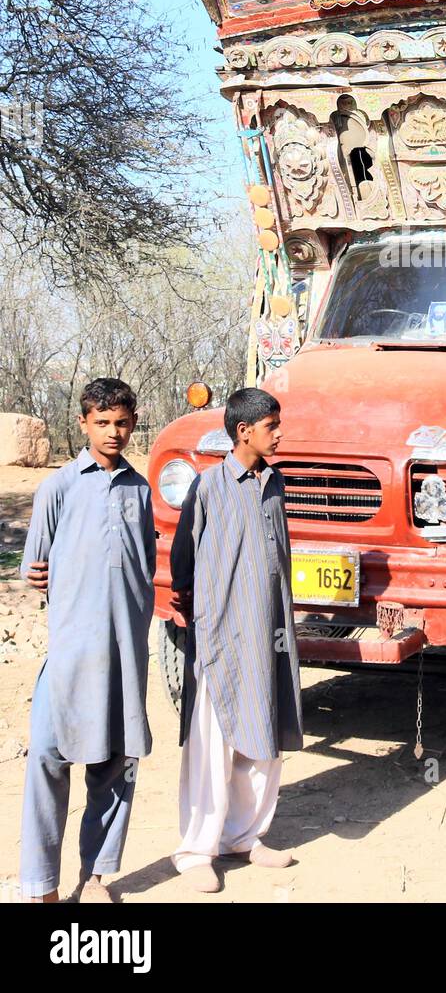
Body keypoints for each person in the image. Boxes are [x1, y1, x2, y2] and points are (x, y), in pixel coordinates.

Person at [18, 378, 155, 904]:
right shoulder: (57, 487)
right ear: (83, 424)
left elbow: (142, 566)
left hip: (124, 654)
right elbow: (37, 568)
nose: (113, 432)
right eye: (102, 423)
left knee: (116, 763)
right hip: (71, 650)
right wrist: (36, 578)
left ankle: (96, 877)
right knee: (49, 758)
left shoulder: (141, 490)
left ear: (133, 423)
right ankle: (41, 885)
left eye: (121, 422)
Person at [170, 387, 303, 893]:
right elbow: (183, 562)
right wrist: (195, 616)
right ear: (244, 431)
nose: (280, 434)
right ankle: (196, 849)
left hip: (268, 634)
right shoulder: (207, 487)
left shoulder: (275, 483)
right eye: (272, 426)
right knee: (211, 743)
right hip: (221, 635)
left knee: (264, 736)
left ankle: (245, 837)